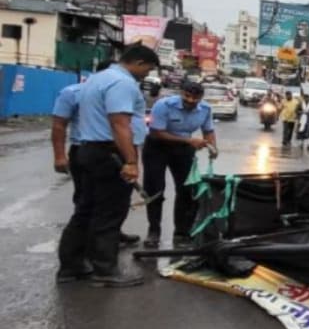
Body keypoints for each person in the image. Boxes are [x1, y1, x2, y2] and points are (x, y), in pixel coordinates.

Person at [64, 44, 160, 287]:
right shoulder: (122, 83)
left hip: (89, 149)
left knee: (85, 211)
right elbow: (119, 123)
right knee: (108, 214)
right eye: (147, 70)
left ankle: (71, 266)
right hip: (110, 154)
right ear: (138, 62)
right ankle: (105, 270)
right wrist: (130, 161)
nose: (146, 75)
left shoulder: (98, 79)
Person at [51, 62, 140, 276]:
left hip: (97, 151)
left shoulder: (99, 89)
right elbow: (59, 125)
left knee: (92, 208)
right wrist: (59, 155)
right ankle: (101, 267)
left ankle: (78, 263)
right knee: (98, 209)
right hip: (93, 151)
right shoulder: (74, 92)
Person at [142, 82, 217, 248]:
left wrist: (213, 147)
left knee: (187, 190)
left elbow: (208, 130)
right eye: (187, 97)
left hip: (183, 149)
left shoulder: (205, 109)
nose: (190, 101)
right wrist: (188, 140)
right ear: (181, 93)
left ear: (201, 98)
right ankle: (154, 231)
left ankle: (181, 232)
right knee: (155, 190)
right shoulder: (163, 105)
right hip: (157, 146)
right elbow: (156, 132)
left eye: (195, 98)